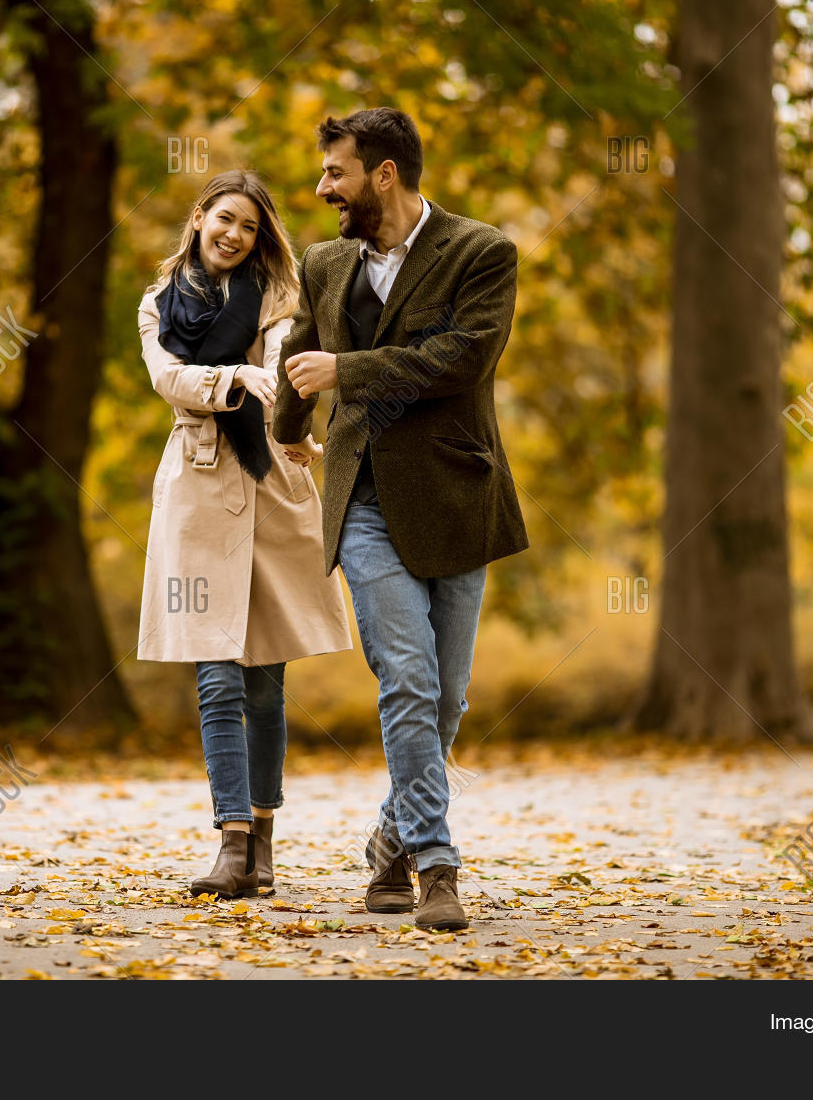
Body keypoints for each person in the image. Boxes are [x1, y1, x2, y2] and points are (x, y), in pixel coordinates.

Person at [271, 108, 528, 930]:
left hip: (456, 497)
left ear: (385, 173)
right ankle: (438, 866)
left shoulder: (481, 252)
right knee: (409, 680)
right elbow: (298, 360)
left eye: (336, 173)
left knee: (446, 702)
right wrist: (284, 436)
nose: (322, 189)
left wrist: (347, 369)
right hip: (364, 504)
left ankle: (389, 840)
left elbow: (462, 360)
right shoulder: (323, 262)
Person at [138, 169, 353, 900]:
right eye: (224, 219)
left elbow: (290, 381)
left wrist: (295, 420)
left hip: (271, 486)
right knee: (215, 670)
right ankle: (230, 840)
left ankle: (262, 841)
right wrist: (233, 379)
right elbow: (167, 378)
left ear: (261, 239)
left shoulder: (284, 300)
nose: (234, 234)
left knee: (265, 680)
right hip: (198, 489)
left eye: (250, 226)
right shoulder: (157, 304)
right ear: (199, 218)